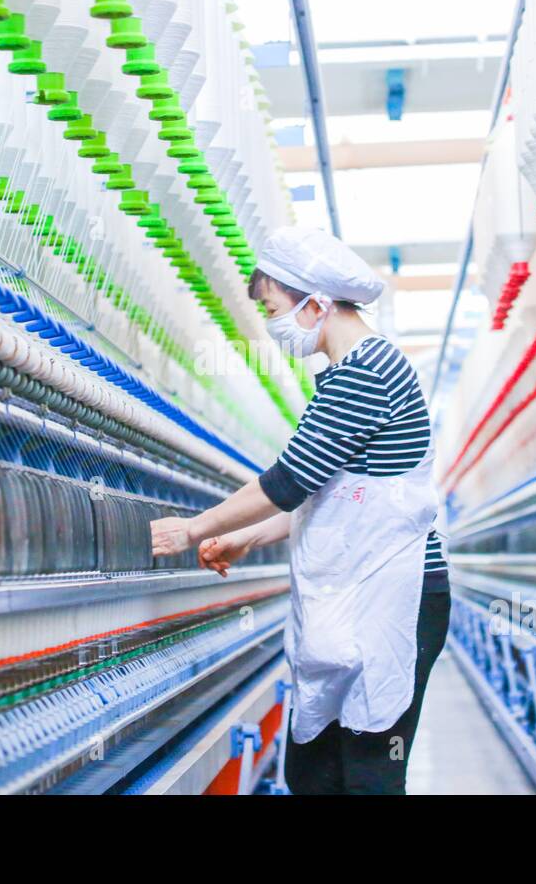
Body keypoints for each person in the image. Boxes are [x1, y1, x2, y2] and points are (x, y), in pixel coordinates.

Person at [151, 226, 451, 795]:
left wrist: (194, 527)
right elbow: (334, 494)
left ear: (315, 304)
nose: (271, 323)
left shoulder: (367, 373)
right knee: (315, 772)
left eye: (272, 308)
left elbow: (288, 481)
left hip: (397, 597)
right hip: (366, 593)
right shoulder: (346, 375)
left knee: (369, 772)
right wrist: (248, 539)